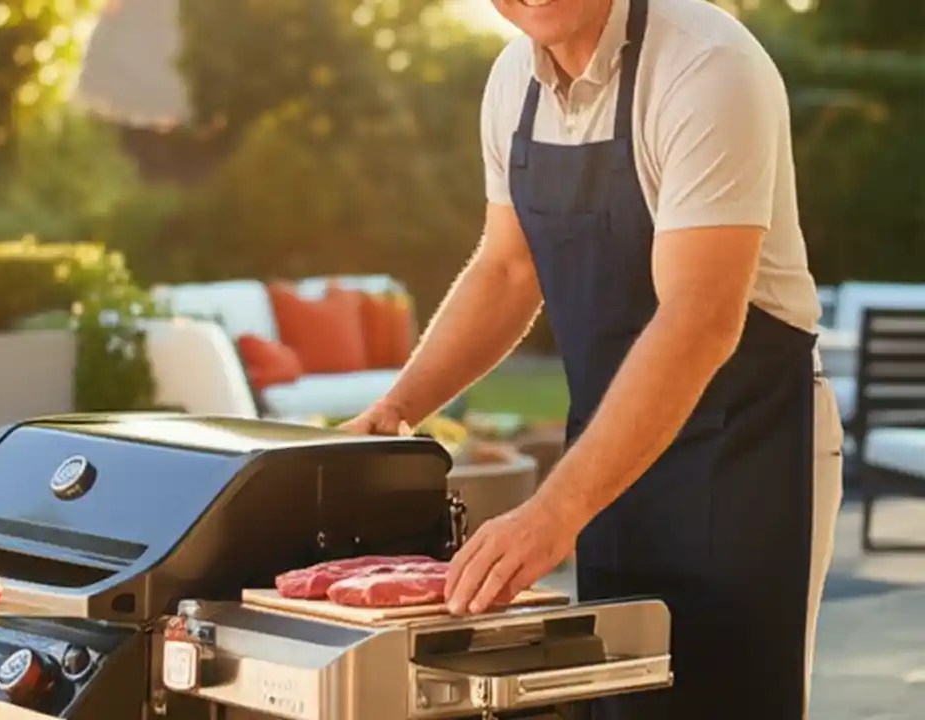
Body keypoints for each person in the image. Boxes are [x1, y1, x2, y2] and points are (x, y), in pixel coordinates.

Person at [342, 0, 844, 717]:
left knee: (725, 692)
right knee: (616, 696)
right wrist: (395, 410)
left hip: (749, 448)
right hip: (611, 449)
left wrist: (554, 510)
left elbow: (701, 319)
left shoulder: (706, 64)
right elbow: (509, 271)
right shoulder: (512, 80)